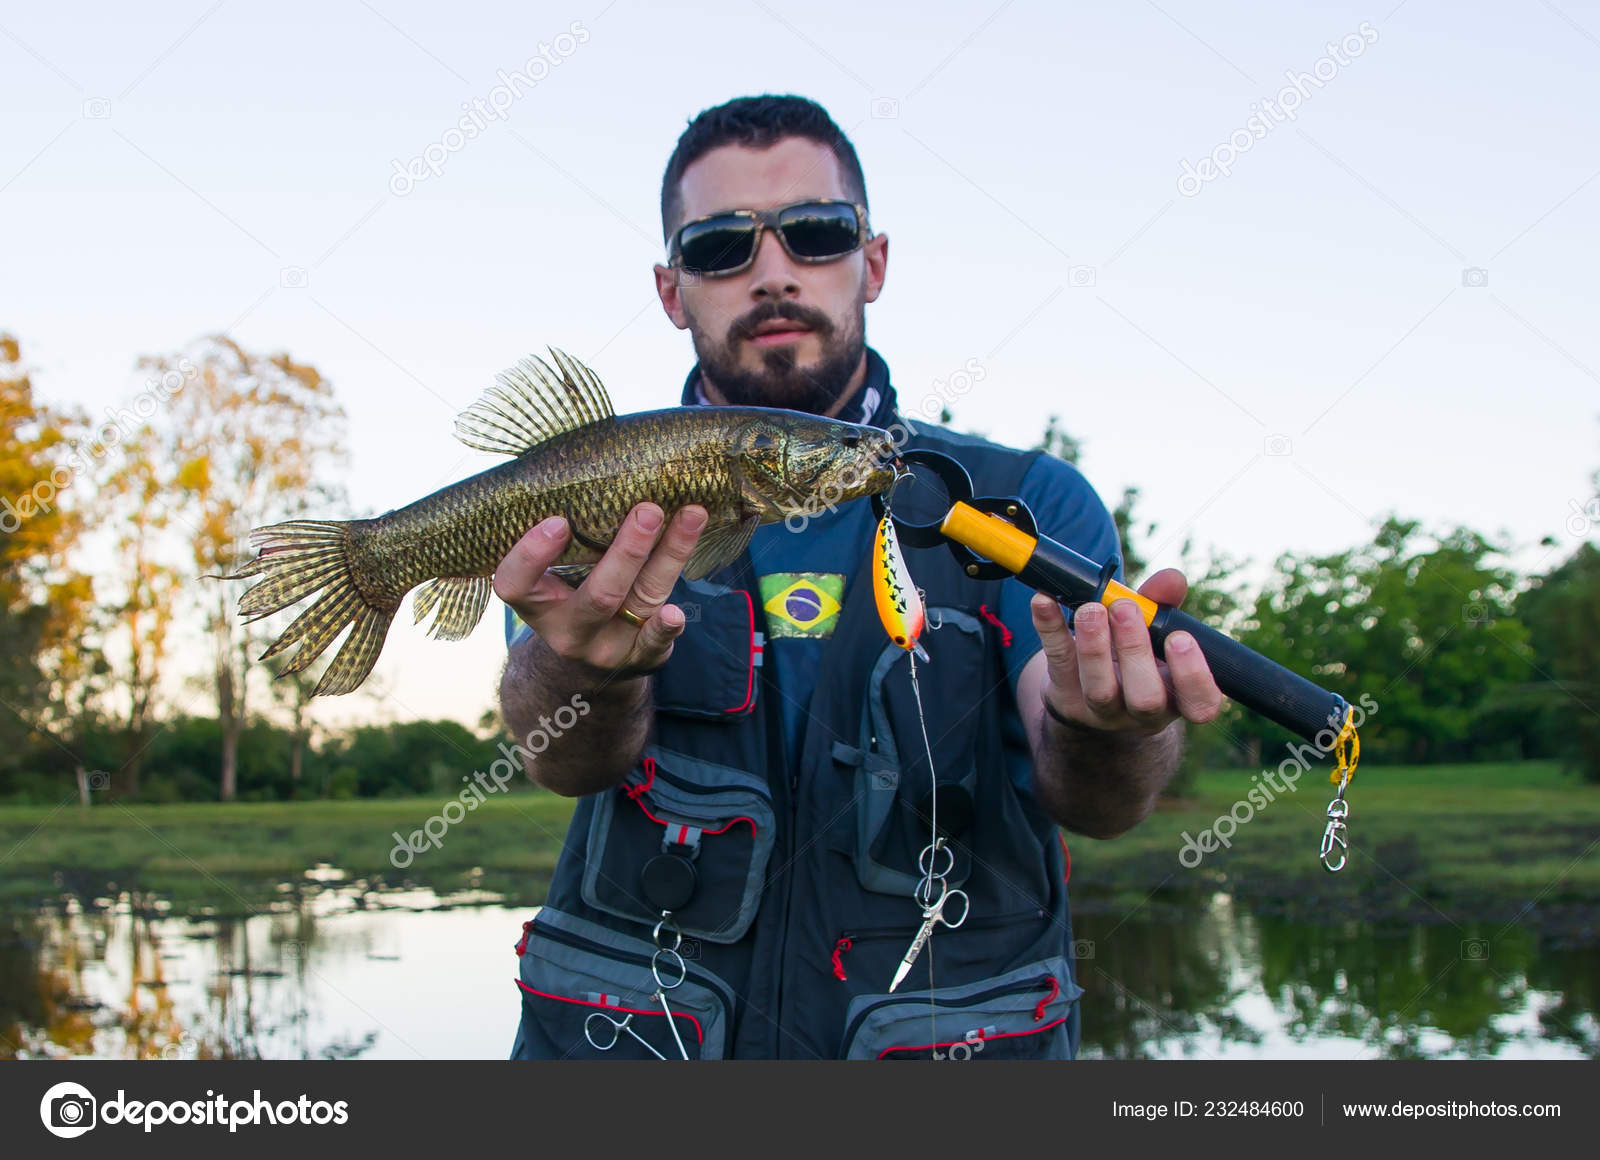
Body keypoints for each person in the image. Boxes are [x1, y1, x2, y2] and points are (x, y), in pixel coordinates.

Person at [496, 95, 1223, 1060]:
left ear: (871, 262)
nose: (773, 273)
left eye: (816, 233)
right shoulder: (595, 490)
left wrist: (1112, 726)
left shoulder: (1028, 501)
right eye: (720, 248)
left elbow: (1103, 804)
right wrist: (588, 672)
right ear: (672, 290)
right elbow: (563, 763)